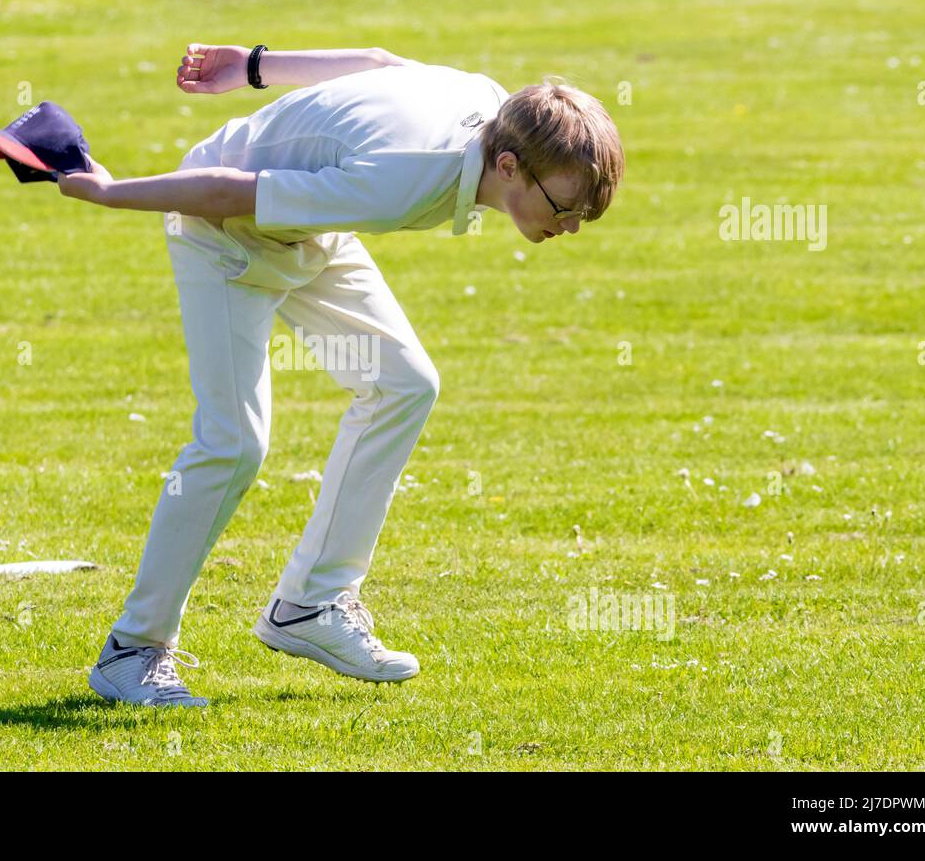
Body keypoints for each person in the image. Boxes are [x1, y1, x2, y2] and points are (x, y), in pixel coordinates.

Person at [58, 44, 625, 708]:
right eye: (565, 206)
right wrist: (107, 192)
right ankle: (134, 651)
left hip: (311, 231)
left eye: (585, 212)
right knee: (234, 443)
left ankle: (310, 605)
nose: (571, 226)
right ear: (508, 166)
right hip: (221, 230)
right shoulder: (403, 180)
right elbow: (224, 190)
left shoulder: (490, 103)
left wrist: (253, 66)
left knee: (404, 383)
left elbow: (378, 64)